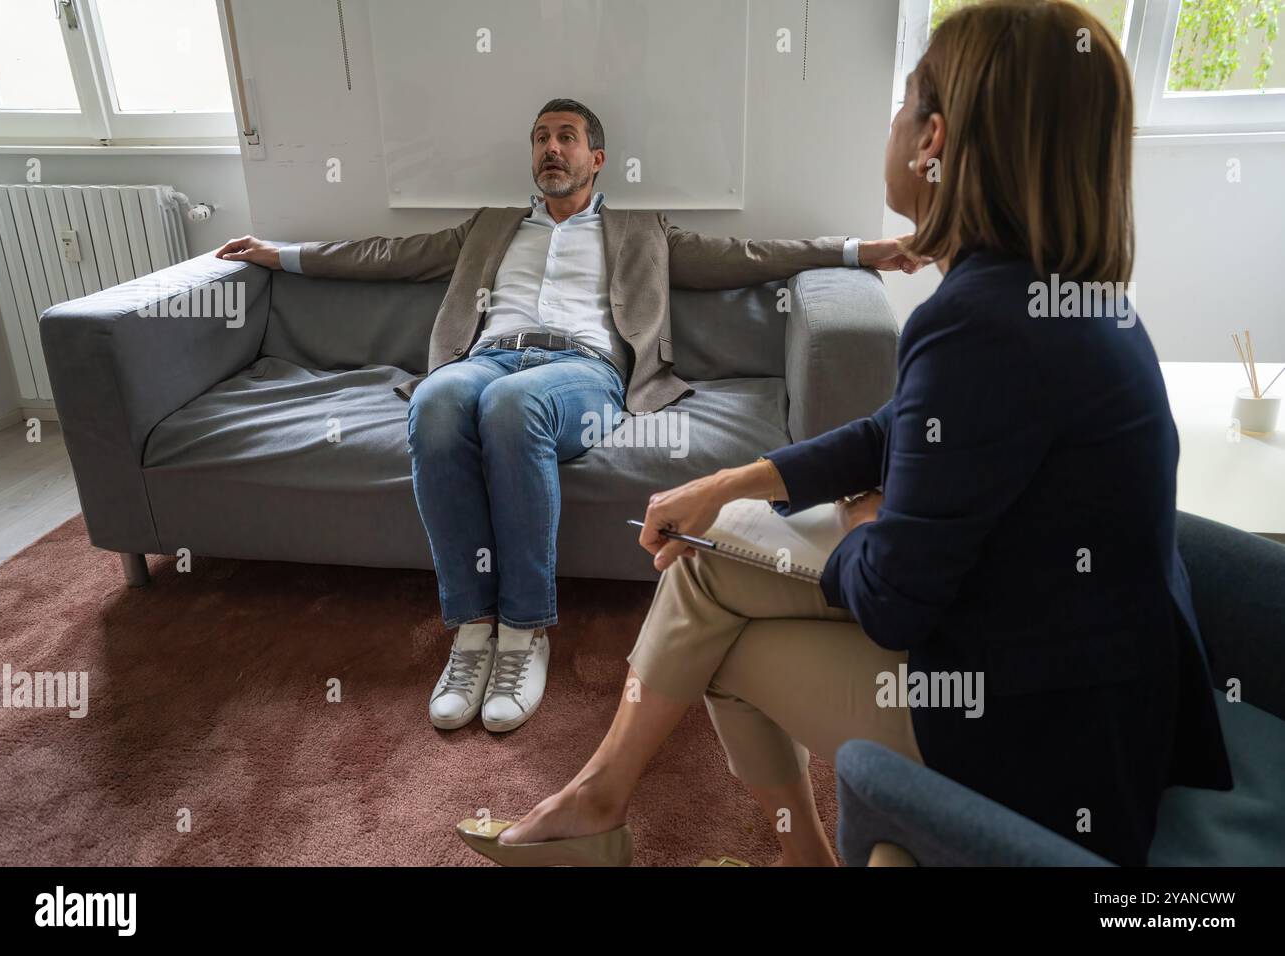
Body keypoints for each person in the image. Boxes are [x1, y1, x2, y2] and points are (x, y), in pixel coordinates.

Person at [455, 1, 1232, 866]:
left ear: (933, 138)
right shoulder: (1053, 295)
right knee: (708, 560)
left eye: (902, 107)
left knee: (711, 615)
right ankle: (651, 820)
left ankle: (656, 823)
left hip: (1033, 733)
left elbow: (896, 597)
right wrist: (728, 484)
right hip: (1087, 683)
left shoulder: (980, 321)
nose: (892, 126)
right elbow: (891, 432)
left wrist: (865, 519)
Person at [215, 98, 921, 734]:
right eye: (541, 139)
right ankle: (471, 629)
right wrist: (281, 255)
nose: (551, 149)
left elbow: (749, 255)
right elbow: (387, 255)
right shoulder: (489, 229)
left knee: (511, 405)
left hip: (581, 372)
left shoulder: (642, 230)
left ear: (597, 157)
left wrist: (863, 249)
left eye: (567, 137)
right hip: (484, 359)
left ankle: (524, 632)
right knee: (434, 402)